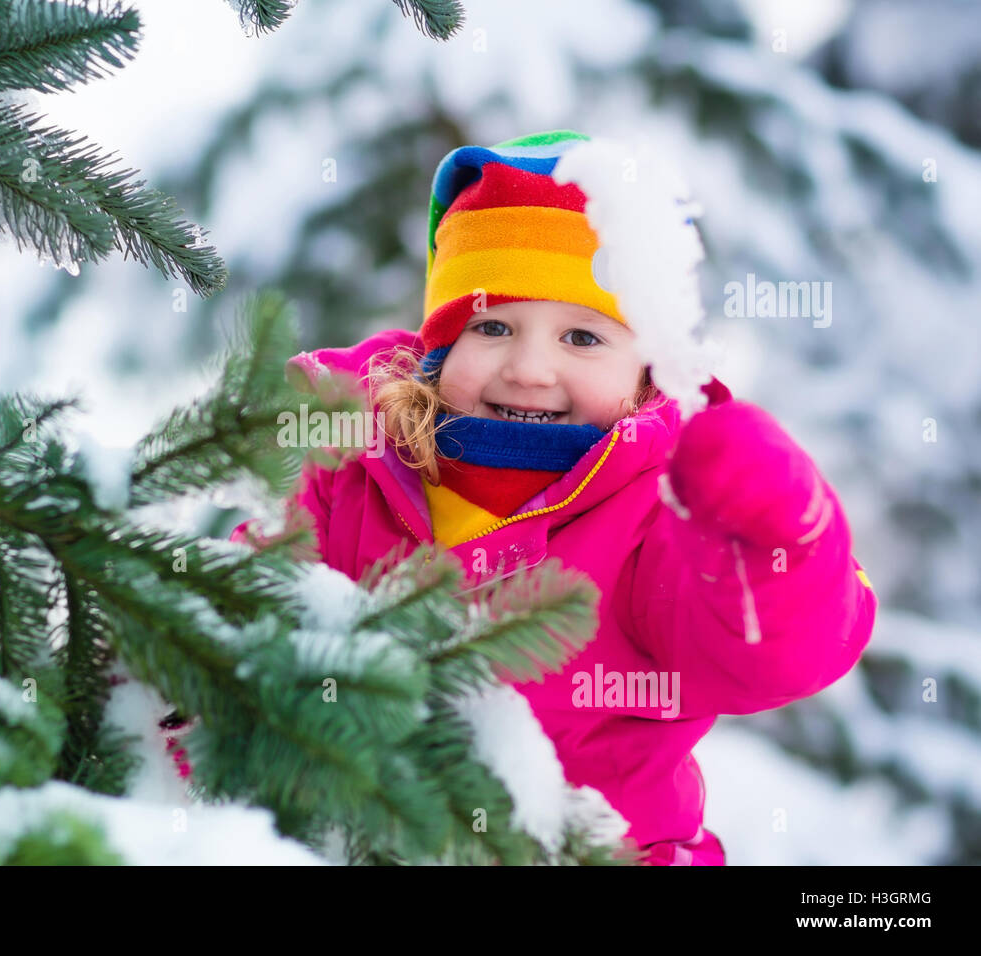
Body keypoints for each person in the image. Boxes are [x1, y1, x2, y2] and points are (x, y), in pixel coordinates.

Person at [229, 130, 878, 865]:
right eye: (493, 326)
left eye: (583, 337)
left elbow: (771, 655)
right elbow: (227, 634)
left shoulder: (654, 514)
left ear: (647, 372)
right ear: (438, 350)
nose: (531, 368)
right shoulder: (357, 471)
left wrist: (773, 533)